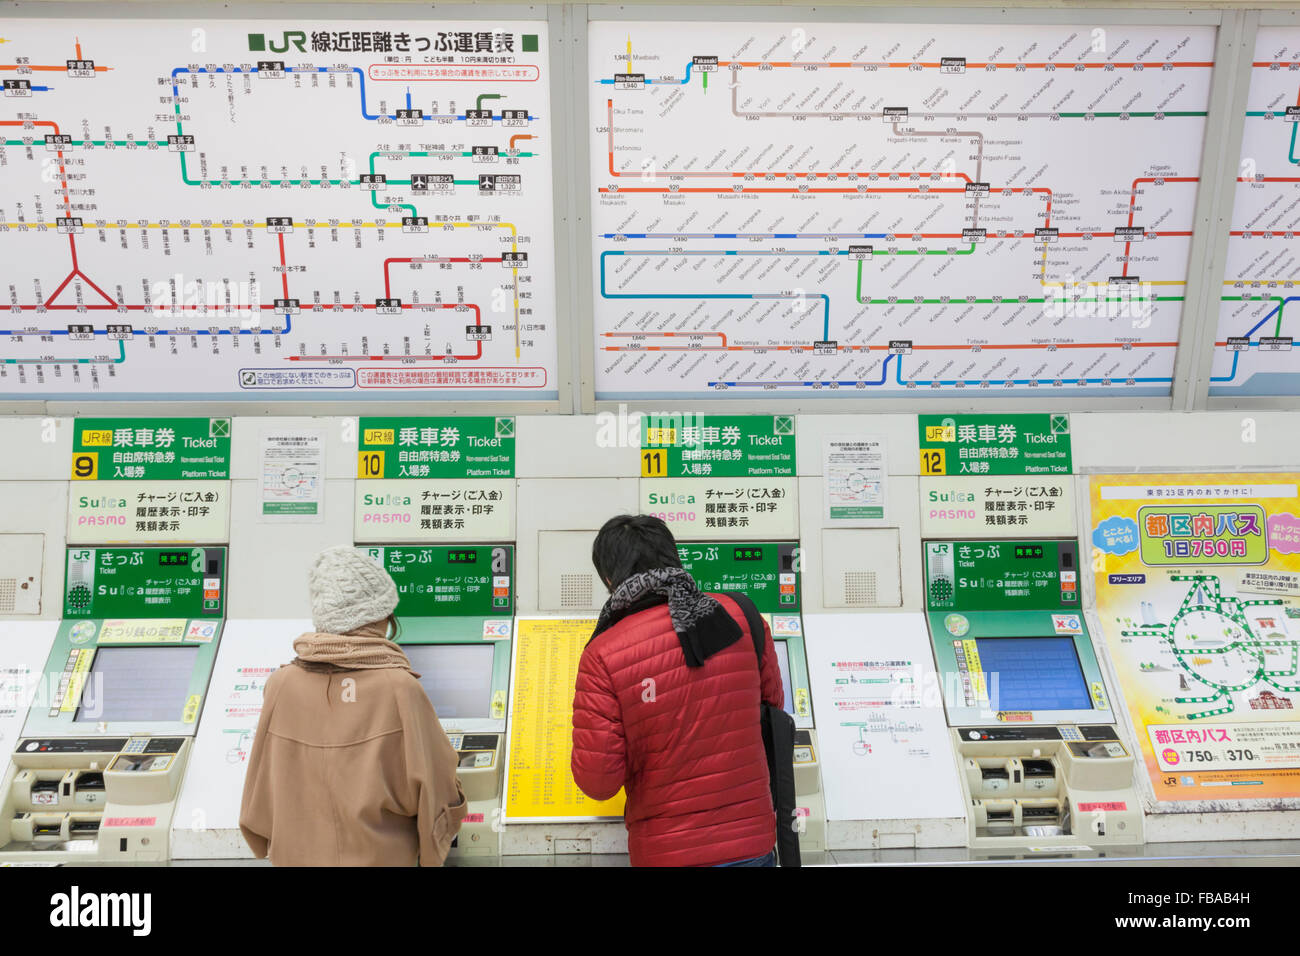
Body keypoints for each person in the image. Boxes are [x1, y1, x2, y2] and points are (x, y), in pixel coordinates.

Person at [571, 514, 785, 866]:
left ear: (609, 579)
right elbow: (771, 709)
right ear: (673, 557)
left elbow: (599, 781)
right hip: (751, 844)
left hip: (666, 851)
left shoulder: (603, 654)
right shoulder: (744, 617)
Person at [239, 546, 467, 866]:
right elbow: (437, 790)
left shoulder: (281, 684)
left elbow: (258, 793)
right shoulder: (399, 687)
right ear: (380, 615)